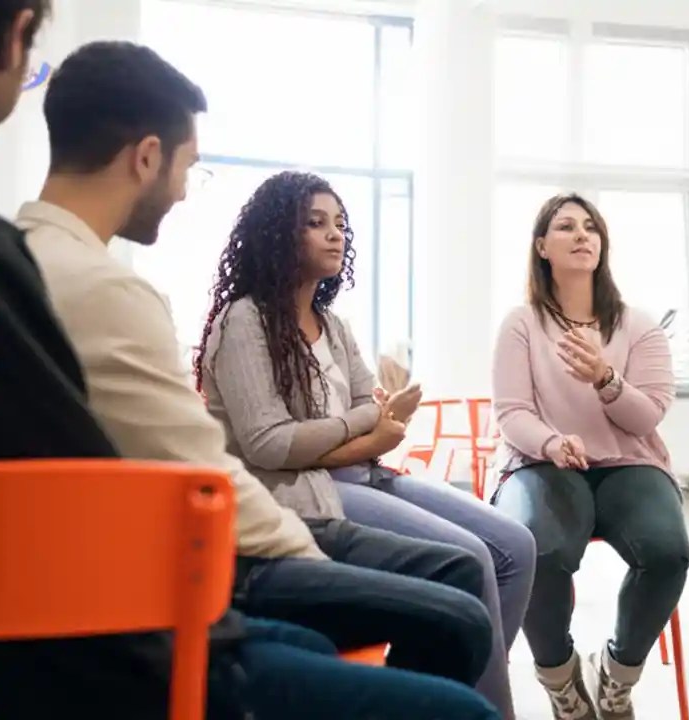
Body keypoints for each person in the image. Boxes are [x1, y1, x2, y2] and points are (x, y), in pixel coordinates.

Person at [0, 10, 498, 720]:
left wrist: (361, 435)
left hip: (85, 584)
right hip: (168, 588)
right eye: (188, 169)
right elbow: (224, 470)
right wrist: (321, 564)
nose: (180, 190)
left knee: (463, 566)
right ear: (146, 157)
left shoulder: (20, 259)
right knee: (454, 614)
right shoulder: (116, 292)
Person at [195, 169, 536, 719]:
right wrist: (362, 430)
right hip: (303, 490)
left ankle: (445, 688)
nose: (336, 235)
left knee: (516, 545)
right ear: (279, 233)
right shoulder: (245, 320)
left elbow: (367, 417)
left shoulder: (333, 325)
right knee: (470, 557)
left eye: (341, 225)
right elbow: (271, 446)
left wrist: (358, 431)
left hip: (360, 471)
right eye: (316, 223)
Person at [491, 192, 687, 720]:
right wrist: (552, 442)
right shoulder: (521, 323)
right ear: (542, 247)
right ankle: (559, 678)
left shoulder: (637, 325)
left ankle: (617, 673)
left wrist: (604, 378)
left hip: (628, 461)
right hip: (540, 462)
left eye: (590, 228)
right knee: (540, 551)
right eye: (565, 227)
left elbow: (646, 417)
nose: (582, 235)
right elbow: (511, 412)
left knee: (668, 553)